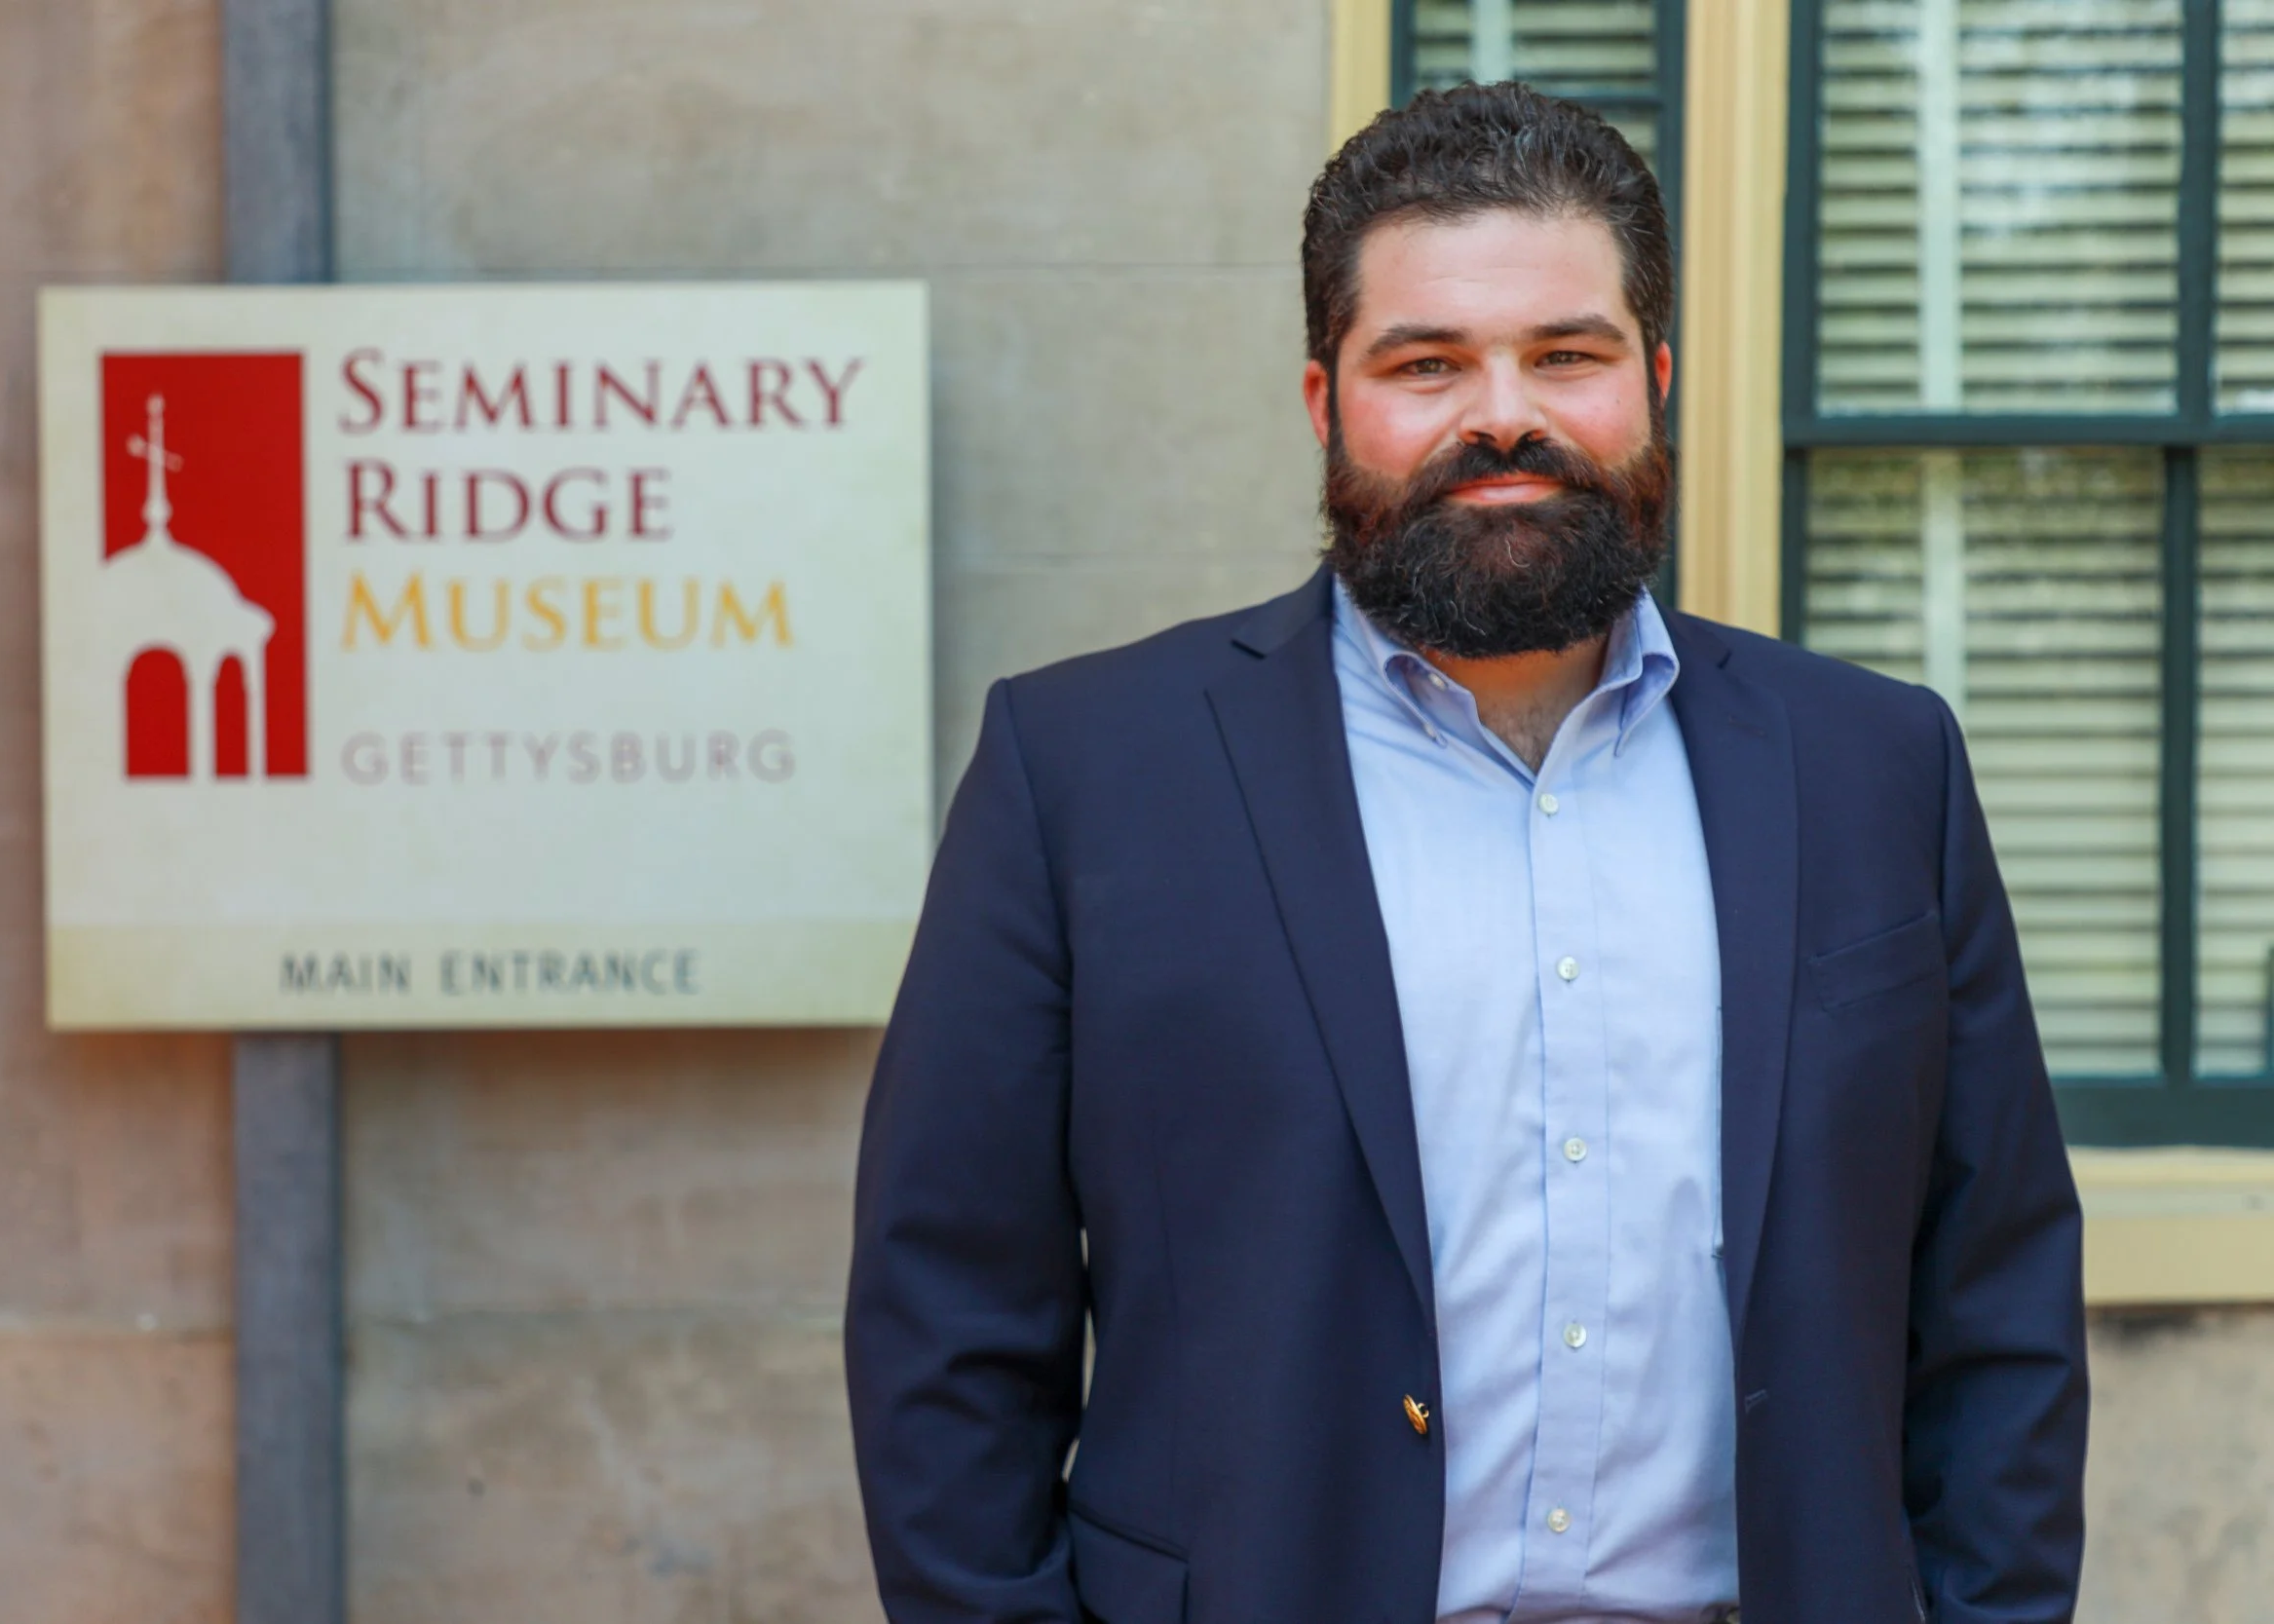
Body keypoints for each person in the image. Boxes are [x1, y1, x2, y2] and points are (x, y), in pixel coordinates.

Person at [845, 83, 2086, 1624]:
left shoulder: (1874, 767)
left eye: (1568, 353)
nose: (1504, 413)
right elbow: (951, 1317)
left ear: (1658, 379)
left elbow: (1997, 1297)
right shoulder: (1085, 771)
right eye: (1425, 363)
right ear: (1324, 404)